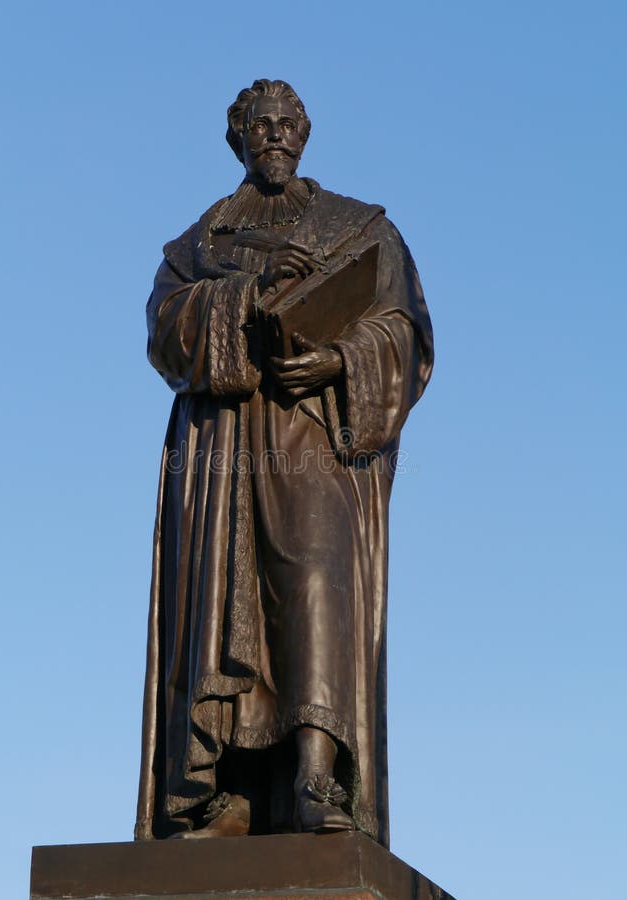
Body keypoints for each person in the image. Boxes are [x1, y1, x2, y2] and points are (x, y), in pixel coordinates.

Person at [135, 79, 433, 847]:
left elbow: (405, 332)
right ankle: (225, 793)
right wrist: (243, 296)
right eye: (259, 125)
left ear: (306, 132)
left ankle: (313, 776)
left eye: (287, 123)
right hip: (225, 450)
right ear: (236, 137)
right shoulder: (202, 244)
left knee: (316, 581)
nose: (274, 135)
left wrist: (338, 357)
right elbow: (166, 331)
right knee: (222, 609)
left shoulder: (359, 228)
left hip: (314, 440)